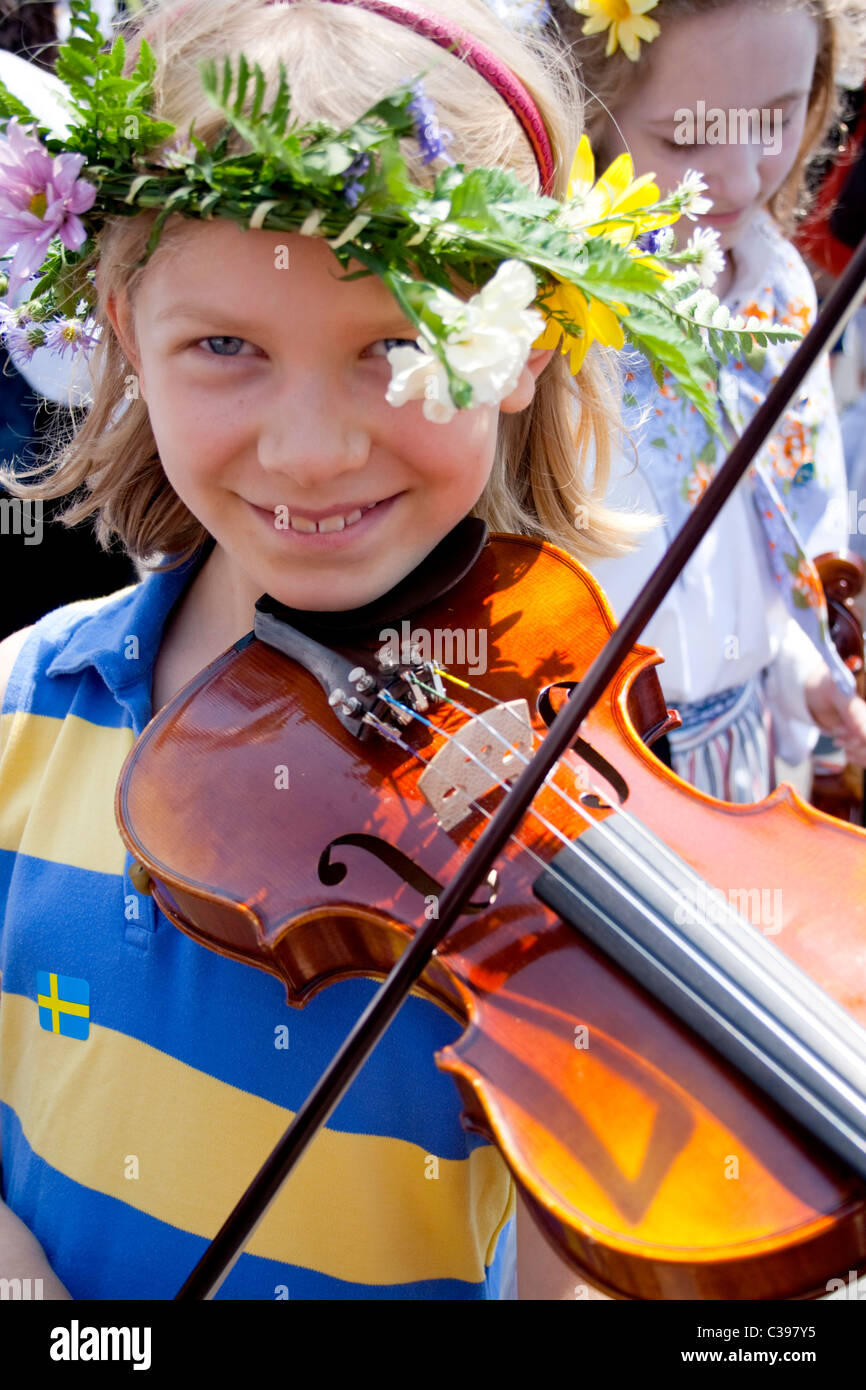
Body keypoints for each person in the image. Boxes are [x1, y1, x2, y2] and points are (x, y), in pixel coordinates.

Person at [0, 0, 748, 1299]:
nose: (310, 450)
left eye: (396, 346)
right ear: (126, 330)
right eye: (225, 346)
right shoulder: (21, 700)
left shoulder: (552, 806)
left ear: (521, 345)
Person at [549, 0, 866, 801]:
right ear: (590, 114)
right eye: (686, 138)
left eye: (778, 117)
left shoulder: (782, 291)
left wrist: (803, 673)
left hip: (743, 758)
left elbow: (790, 533)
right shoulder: (547, 321)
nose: (740, 175)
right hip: (587, 779)